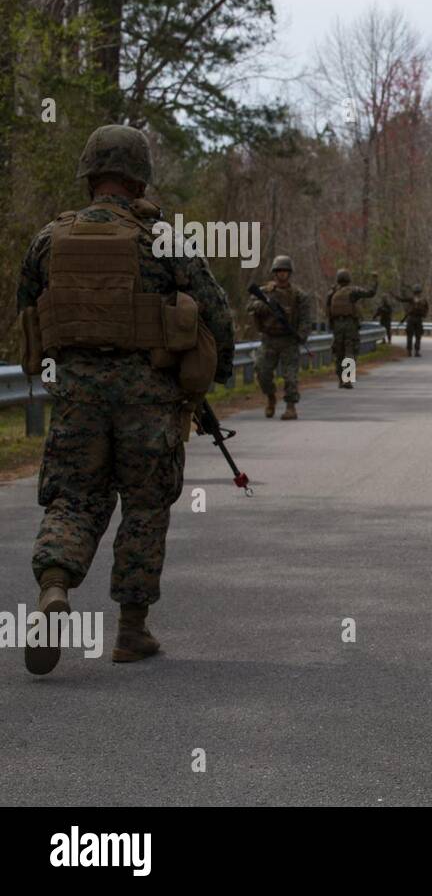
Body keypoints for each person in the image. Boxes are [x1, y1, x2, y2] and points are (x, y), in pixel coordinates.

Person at [16, 124, 234, 673]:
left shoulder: (48, 239)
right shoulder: (161, 238)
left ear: (90, 174)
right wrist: (215, 375)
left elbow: (27, 314)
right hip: (148, 401)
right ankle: (131, 633)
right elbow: (215, 310)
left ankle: (55, 586)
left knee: (74, 499)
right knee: (143, 507)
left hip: (77, 399)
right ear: (140, 178)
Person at [248, 255, 312, 419]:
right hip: (269, 339)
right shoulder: (265, 292)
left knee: (290, 377)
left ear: (289, 273)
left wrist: (302, 335)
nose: (282, 274)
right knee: (263, 373)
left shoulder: (299, 295)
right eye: (279, 271)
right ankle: (270, 398)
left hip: (289, 340)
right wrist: (266, 306)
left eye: (285, 271)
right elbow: (251, 307)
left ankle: (291, 407)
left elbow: (306, 318)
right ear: (274, 273)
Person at [325, 269, 378, 388]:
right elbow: (370, 293)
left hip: (337, 325)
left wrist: (332, 325)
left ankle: (340, 379)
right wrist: (375, 280)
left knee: (339, 351)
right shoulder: (352, 291)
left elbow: (328, 311)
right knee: (350, 350)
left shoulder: (331, 292)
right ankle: (347, 379)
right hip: (350, 325)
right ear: (348, 279)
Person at [397, 285, 429, 357]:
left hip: (410, 319)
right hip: (419, 319)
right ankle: (417, 351)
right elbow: (427, 309)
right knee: (418, 336)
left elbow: (402, 299)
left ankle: (409, 351)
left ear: (413, 291)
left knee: (409, 336)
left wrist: (394, 296)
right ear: (420, 291)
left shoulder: (411, 299)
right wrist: (423, 315)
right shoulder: (424, 300)